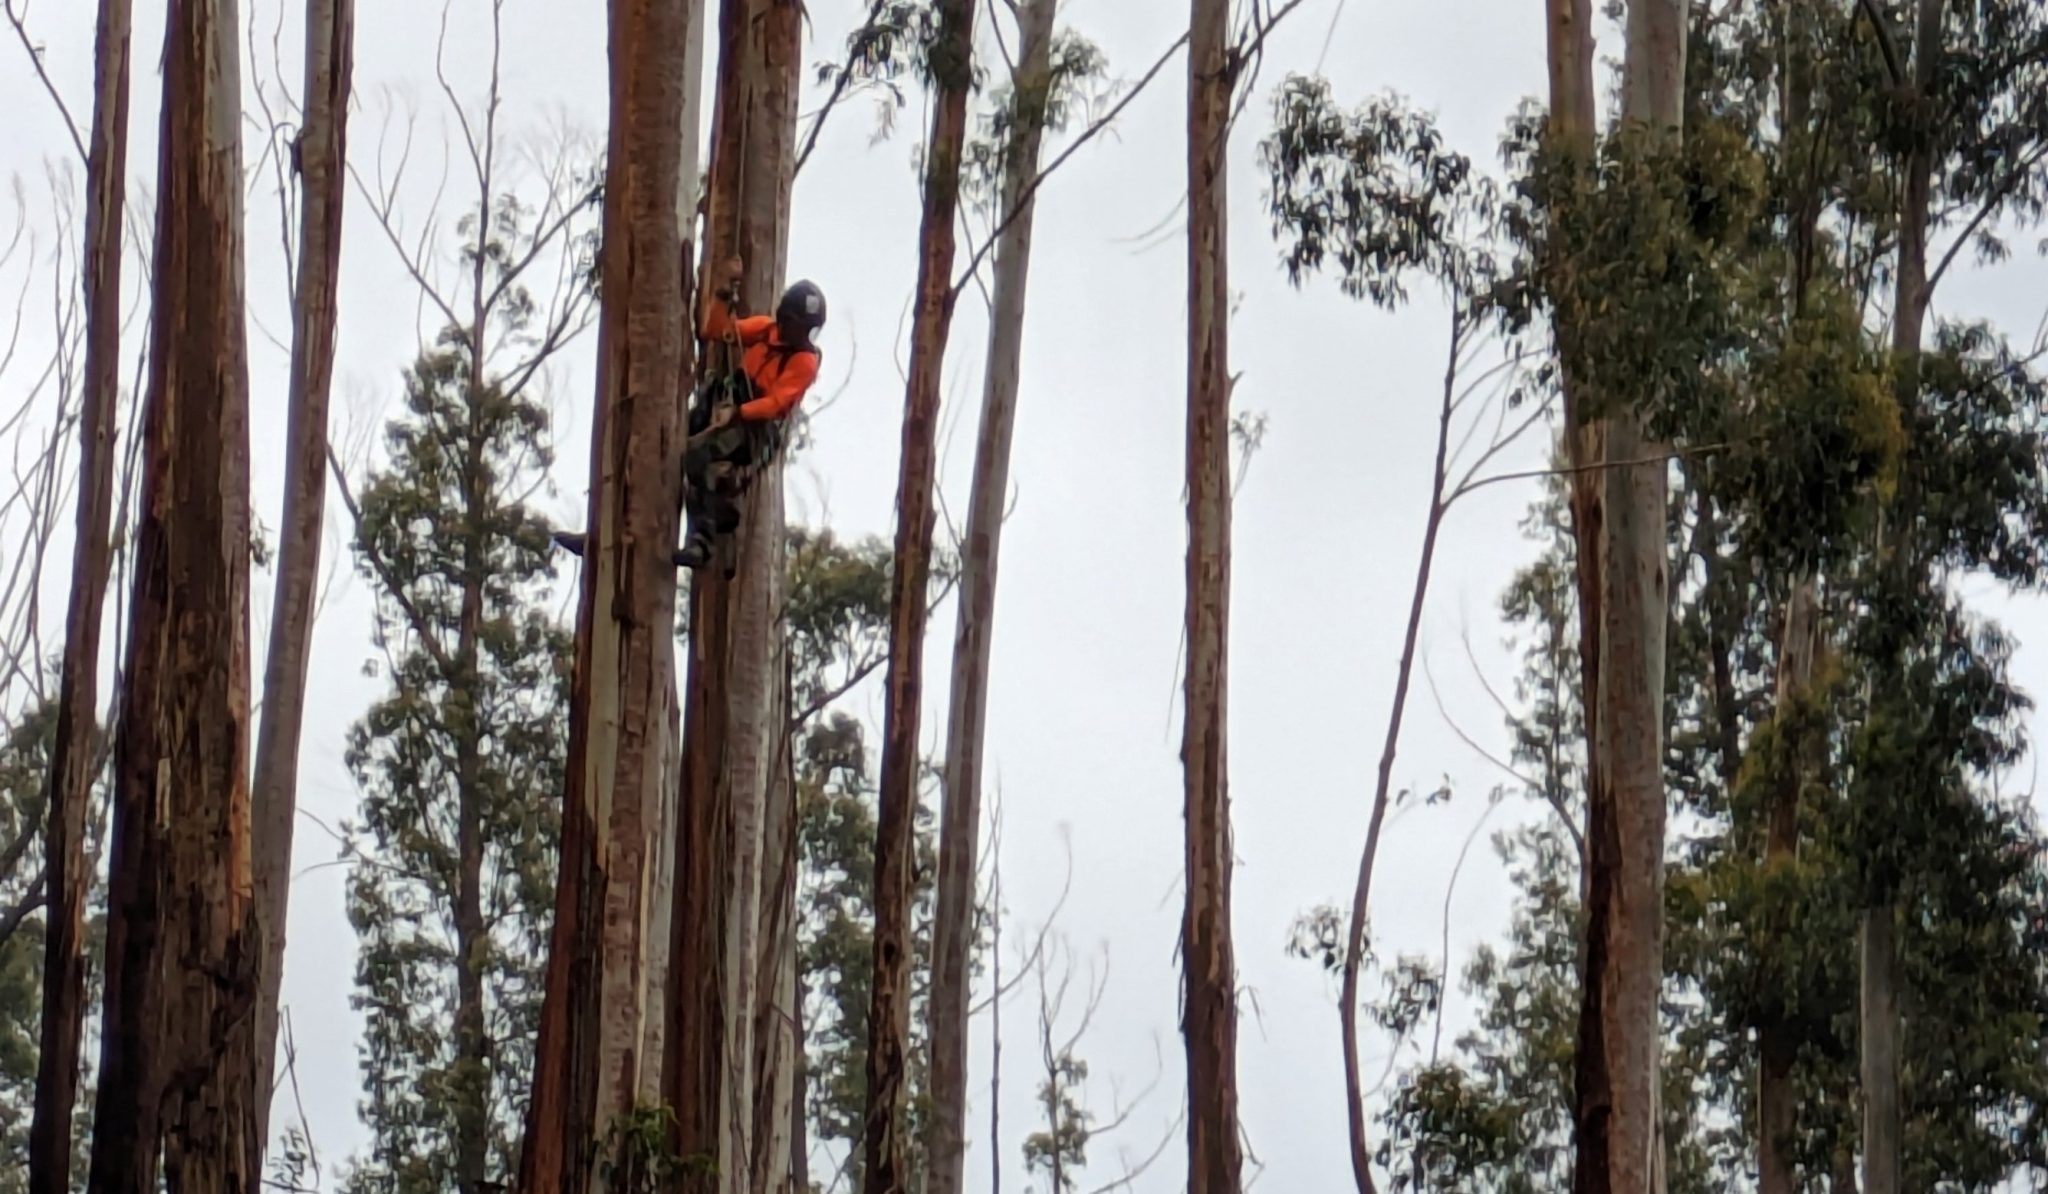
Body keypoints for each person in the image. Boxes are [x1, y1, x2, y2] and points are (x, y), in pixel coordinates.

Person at [553, 256, 826, 570]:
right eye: (798, 325)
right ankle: (609, 529)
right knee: (657, 447)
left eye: (808, 329)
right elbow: (716, 329)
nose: (801, 334)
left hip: (754, 432)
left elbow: (777, 402)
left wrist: (739, 412)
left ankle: (703, 541)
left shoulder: (805, 360)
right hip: (725, 408)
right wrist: (724, 295)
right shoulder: (766, 331)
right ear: (785, 317)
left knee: (696, 456)